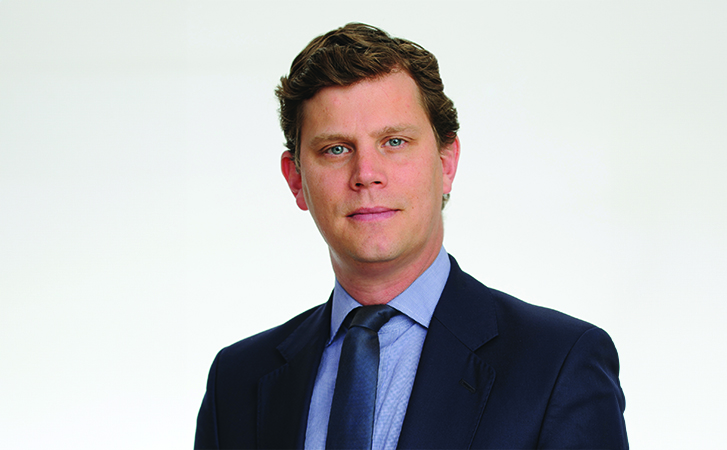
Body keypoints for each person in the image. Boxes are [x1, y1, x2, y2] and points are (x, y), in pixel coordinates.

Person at [194, 23, 628, 449]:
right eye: (336, 149)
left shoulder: (559, 364)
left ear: (447, 162)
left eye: (395, 142)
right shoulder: (236, 382)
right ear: (296, 180)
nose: (366, 174)